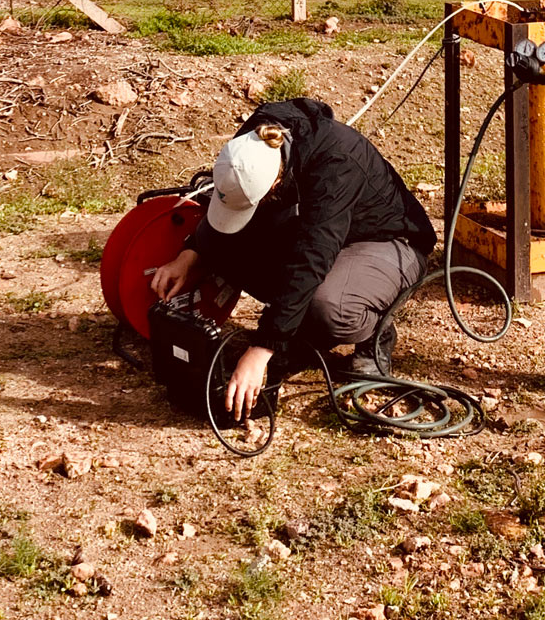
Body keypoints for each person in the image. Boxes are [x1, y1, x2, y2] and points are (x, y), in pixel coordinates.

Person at [150, 97, 436, 420]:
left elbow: (311, 259)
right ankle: (296, 331)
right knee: (235, 254)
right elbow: (228, 200)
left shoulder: (336, 166)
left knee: (328, 307)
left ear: (274, 183)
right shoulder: (249, 145)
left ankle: (375, 333)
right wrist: (193, 253)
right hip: (328, 237)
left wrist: (262, 348)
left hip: (390, 244)